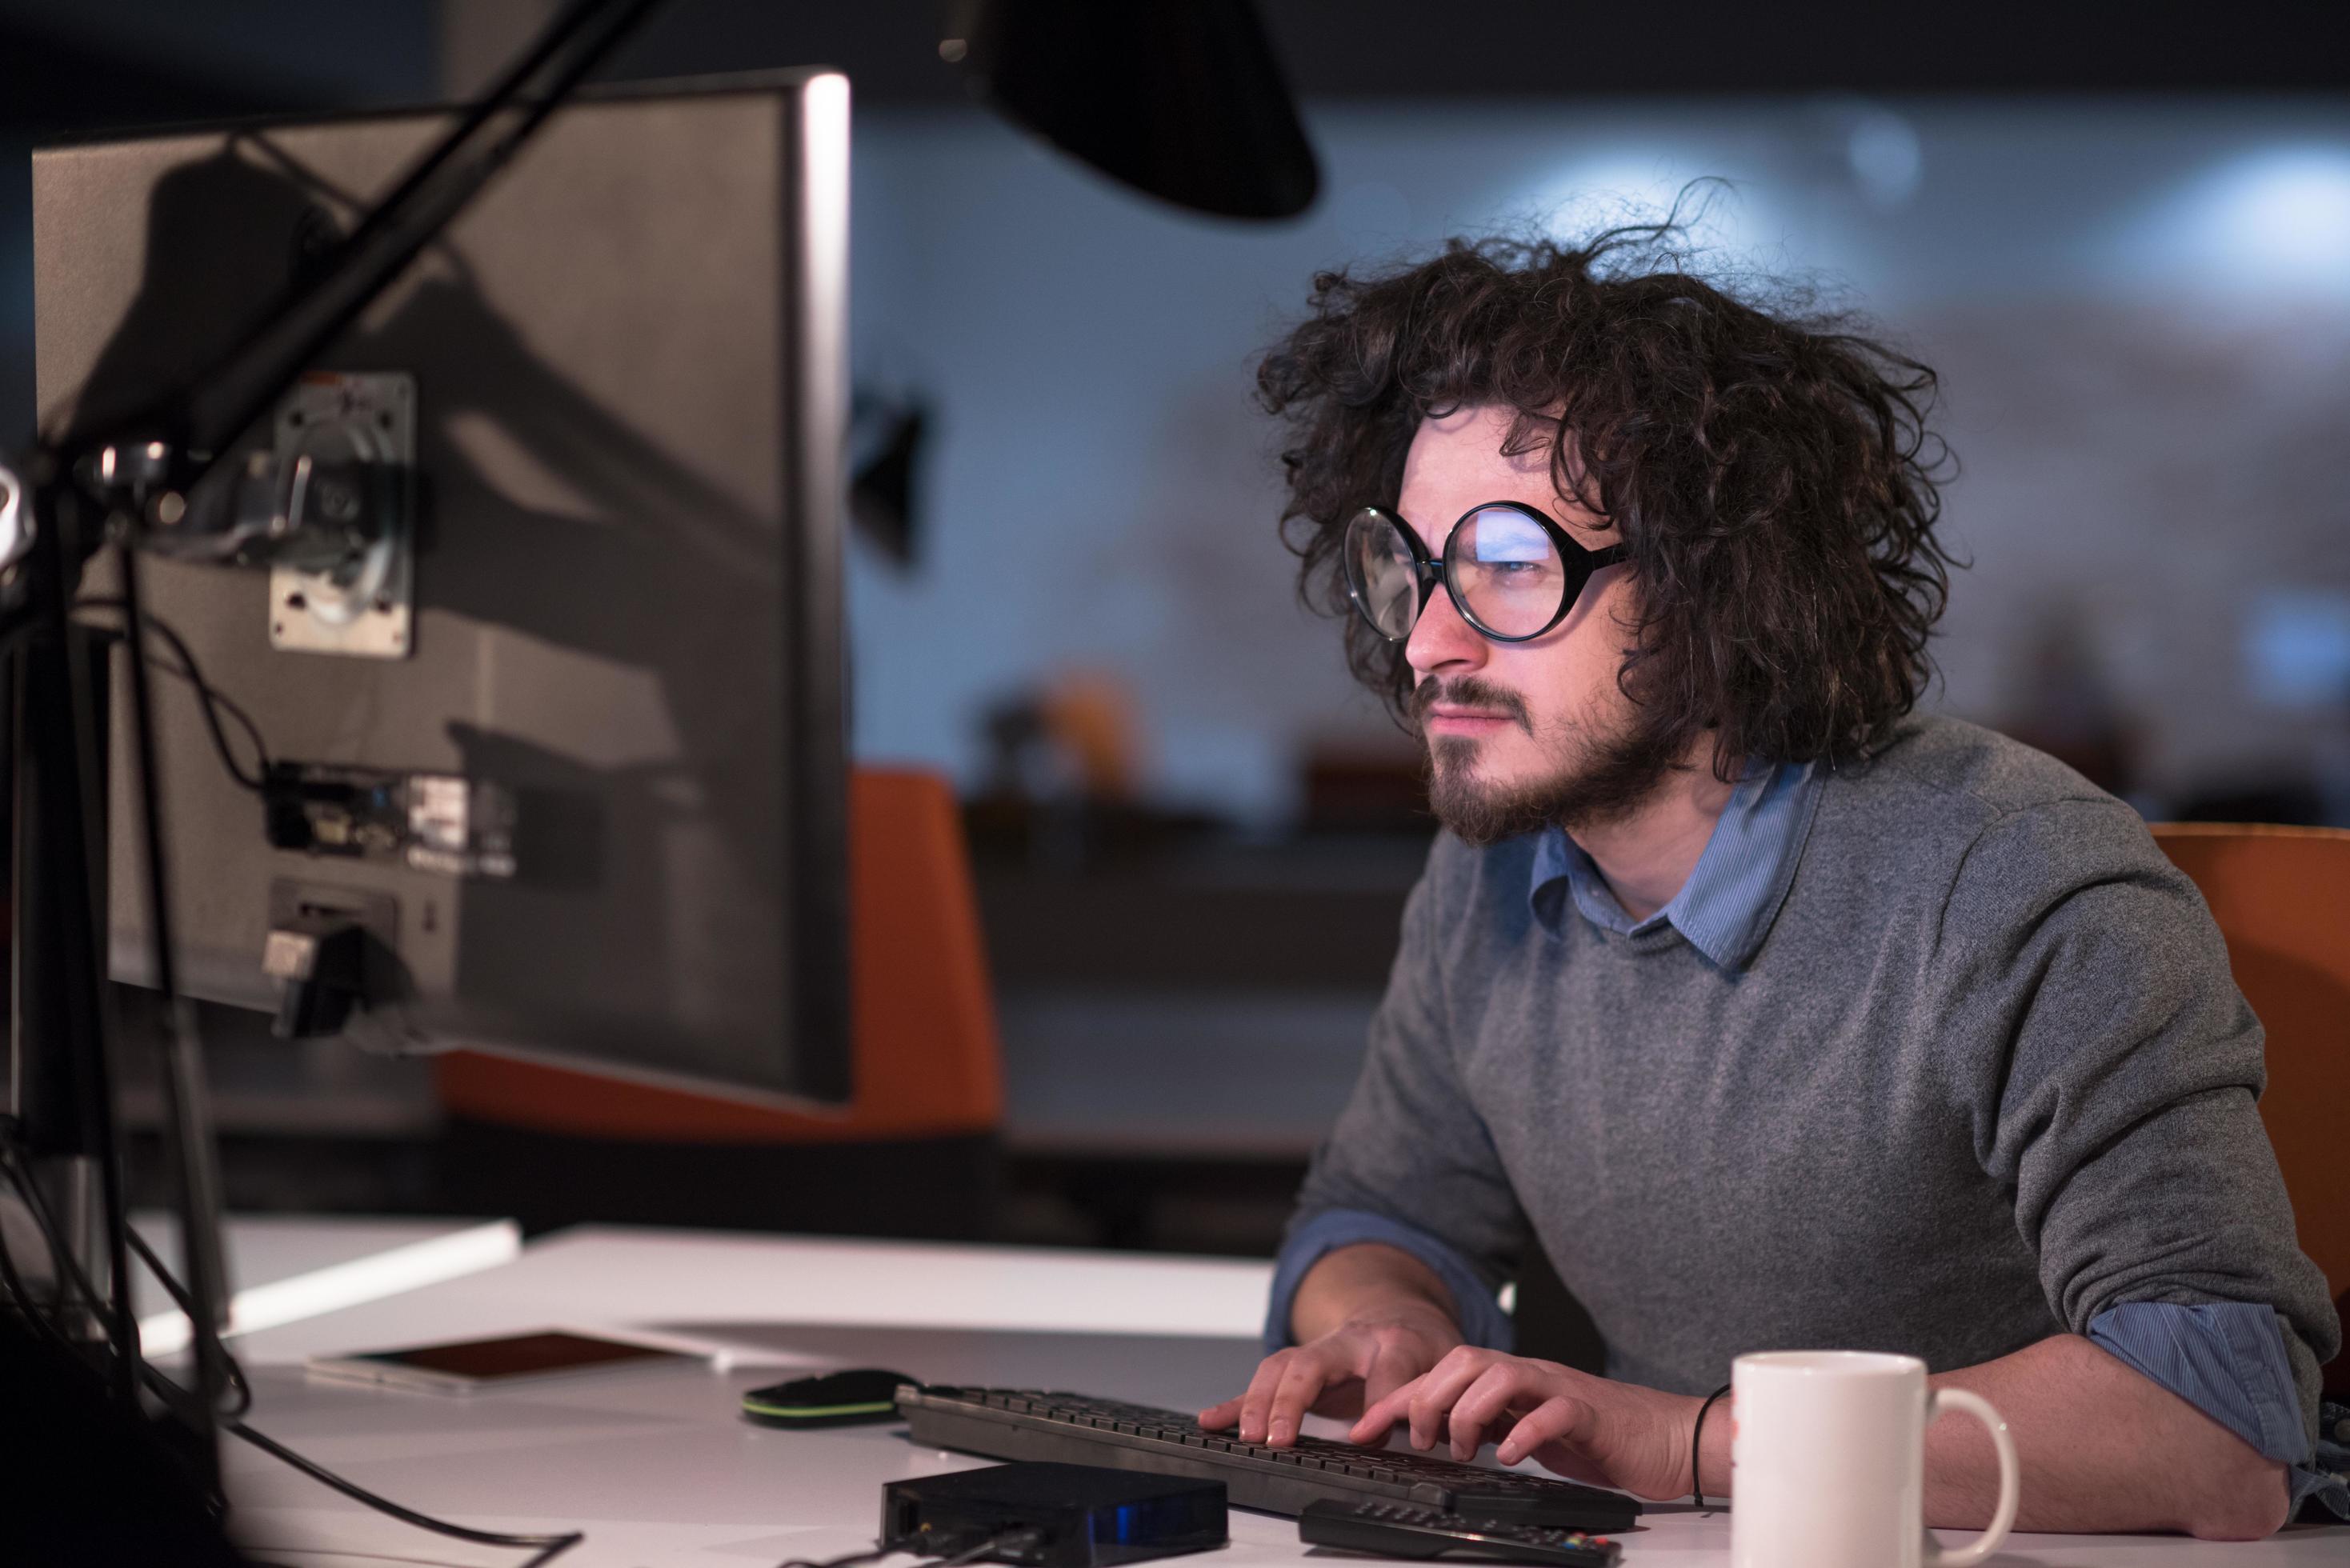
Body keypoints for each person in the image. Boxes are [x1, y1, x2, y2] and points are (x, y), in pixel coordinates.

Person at [1196, 225, 2344, 1538]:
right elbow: (1379, 1213)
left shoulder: (2016, 878)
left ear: (1711, 593)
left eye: (1508, 565)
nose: (1431, 644)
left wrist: (1684, 1441)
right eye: (1410, 567)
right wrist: (1386, 1323)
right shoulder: (1490, 877)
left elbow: (2219, 1426)